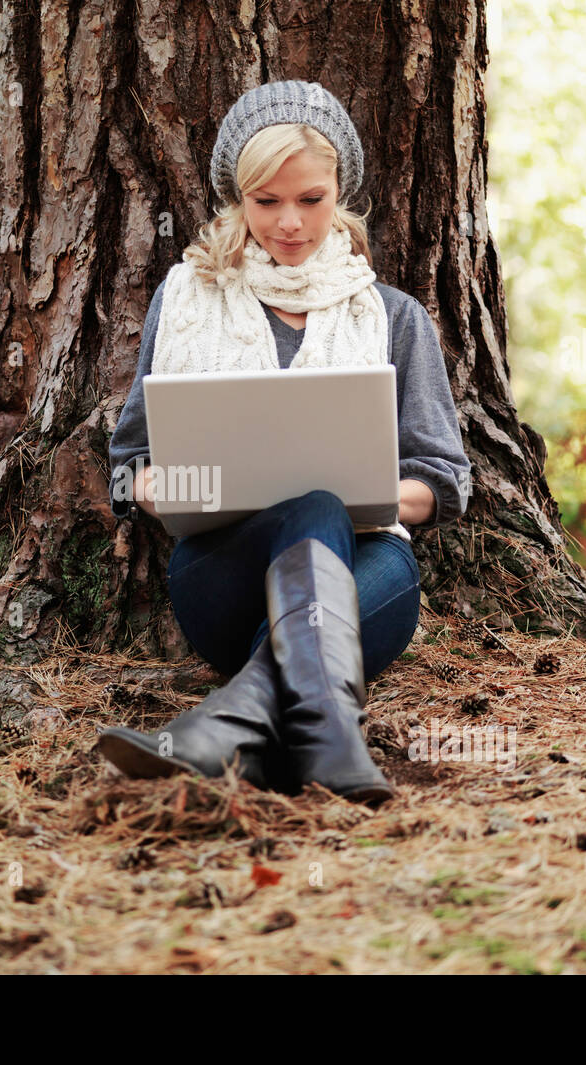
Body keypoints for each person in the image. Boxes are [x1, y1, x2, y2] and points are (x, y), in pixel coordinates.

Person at [98, 80, 471, 804]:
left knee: (324, 505)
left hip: (368, 570)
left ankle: (230, 727)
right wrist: (183, 489)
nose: (291, 223)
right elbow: (127, 470)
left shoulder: (392, 317)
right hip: (222, 572)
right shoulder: (184, 303)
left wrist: (364, 490)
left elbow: (443, 478)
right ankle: (329, 740)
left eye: (311, 199)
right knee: (311, 505)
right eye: (267, 203)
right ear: (238, 200)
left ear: (342, 195)